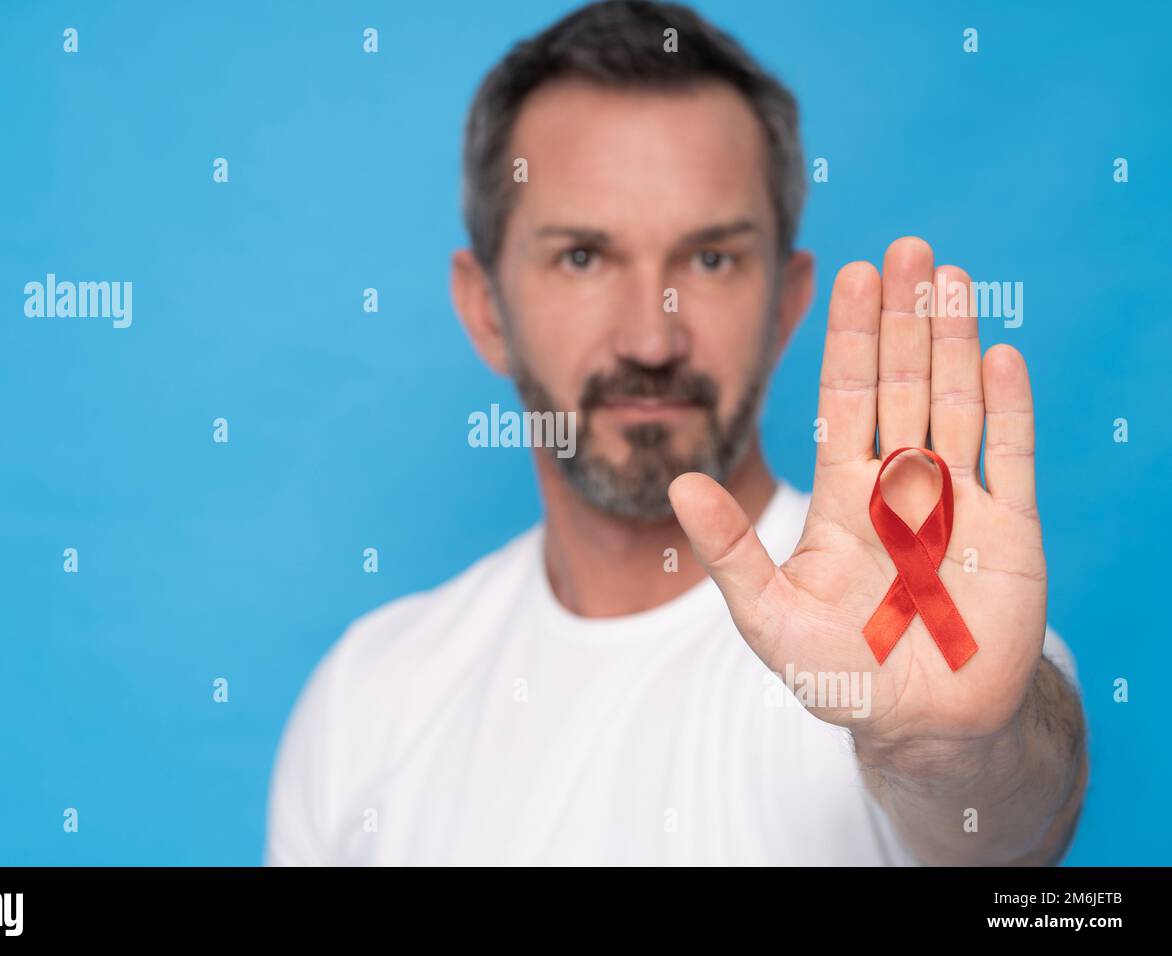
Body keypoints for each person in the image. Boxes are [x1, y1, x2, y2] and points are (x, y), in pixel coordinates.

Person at [267, 0, 1088, 866]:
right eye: (582, 257)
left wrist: (949, 752)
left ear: (787, 302)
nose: (652, 340)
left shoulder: (911, 636)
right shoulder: (364, 696)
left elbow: (1005, 829)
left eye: (711, 259)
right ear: (485, 308)